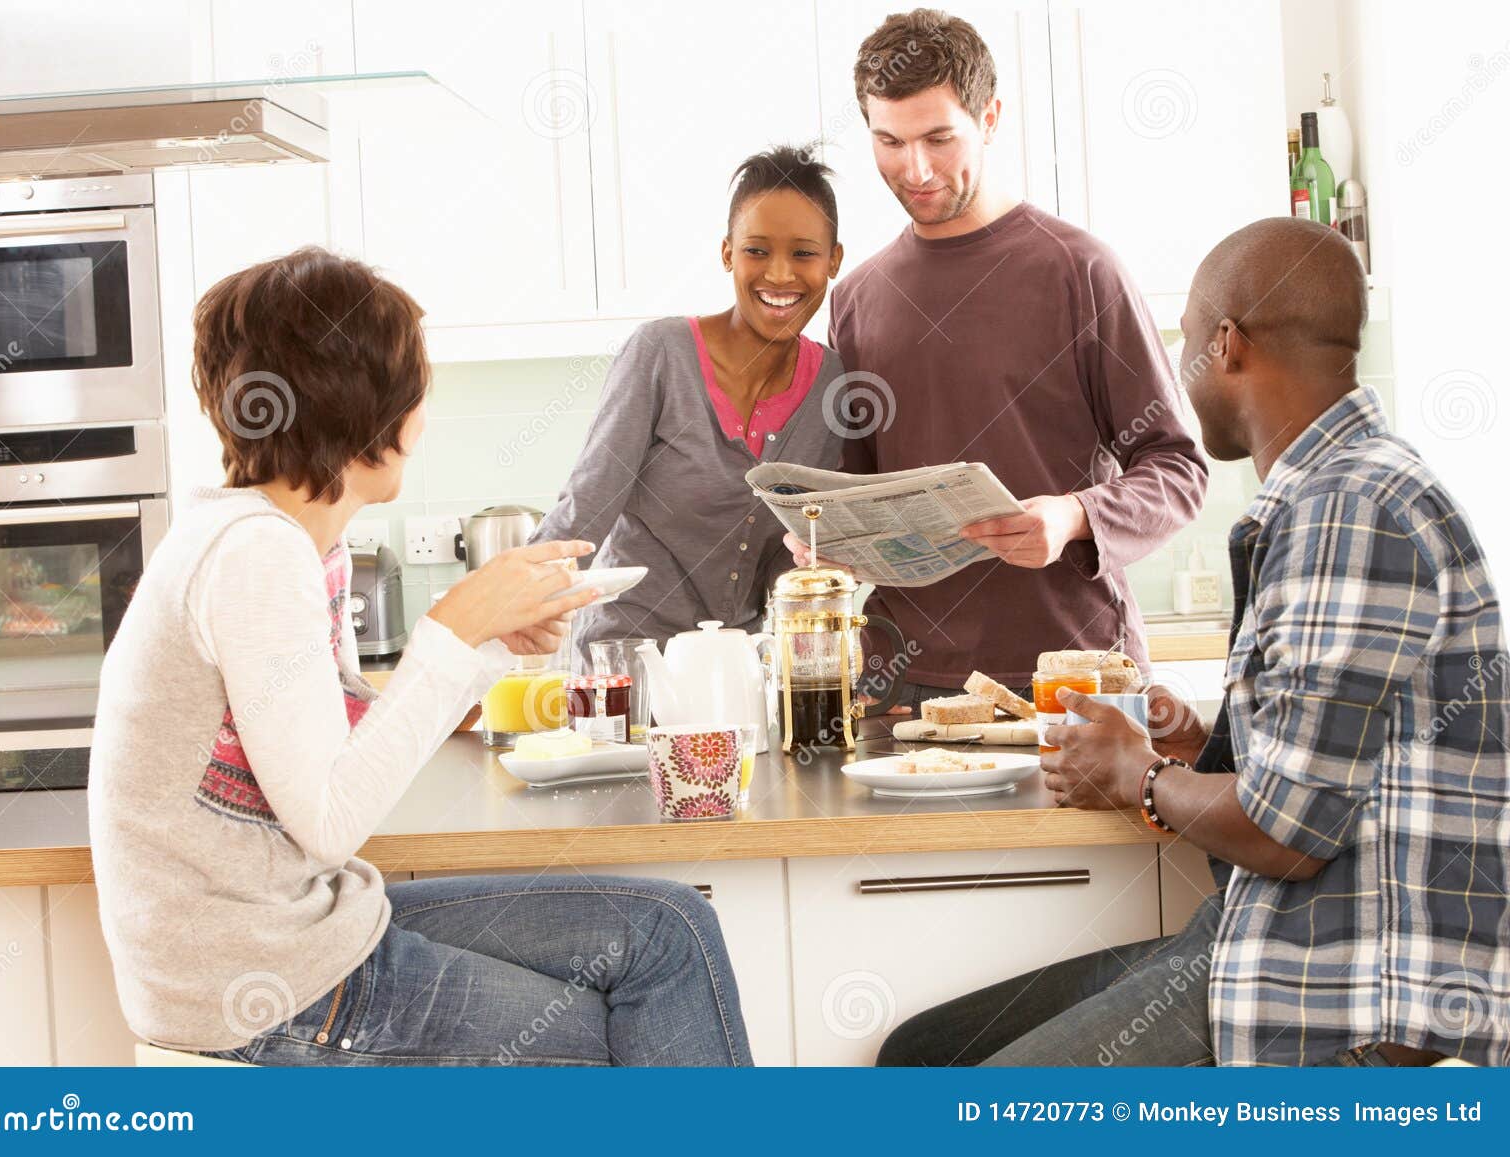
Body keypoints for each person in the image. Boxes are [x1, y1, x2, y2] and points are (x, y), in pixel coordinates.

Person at [88, 248, 751, 1066]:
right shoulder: (255, 555)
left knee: (670, 929)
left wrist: (479, 641)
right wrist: (451, 628)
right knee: (626, 1042)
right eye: (415, 385)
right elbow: (331, 821)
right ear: (364, 407)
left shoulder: (279, 541)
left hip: (302, 933)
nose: (424, 412)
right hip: (264, 986)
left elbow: (329, 754)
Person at [878, 218, 1510, 1067]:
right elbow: (1331, 756)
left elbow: (1289, 832)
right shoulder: (1344, 490)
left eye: (1186, 346)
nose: (1180, 374)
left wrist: (1137, 772)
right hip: (1270, 944)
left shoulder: (1347, 509)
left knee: (983, 1102)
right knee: (922, 1053)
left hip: (1344, 1001)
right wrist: (1201, 743)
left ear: (1228, 345)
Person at [789, 9, 1207, 703]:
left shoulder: (1081, 271)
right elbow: (858, 487)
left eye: (938, 138)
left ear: (989, 118)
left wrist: (1072, 515)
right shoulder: (858, 296)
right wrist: (827, 541)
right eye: (888, 140)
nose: (914, 168)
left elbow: (1179, 468)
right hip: (902, 685)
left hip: (1072, 678)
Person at [533, 145, 847, 657]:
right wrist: (504, 618)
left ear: (833, 260)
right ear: (728, 253)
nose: (781, 275)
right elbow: (587, 507)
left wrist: (811, 569)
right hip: (626, 656)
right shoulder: (661, 352)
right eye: (757, 250)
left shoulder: (832, 384)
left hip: (731, 664)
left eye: (804, 253)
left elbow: (779, 552)